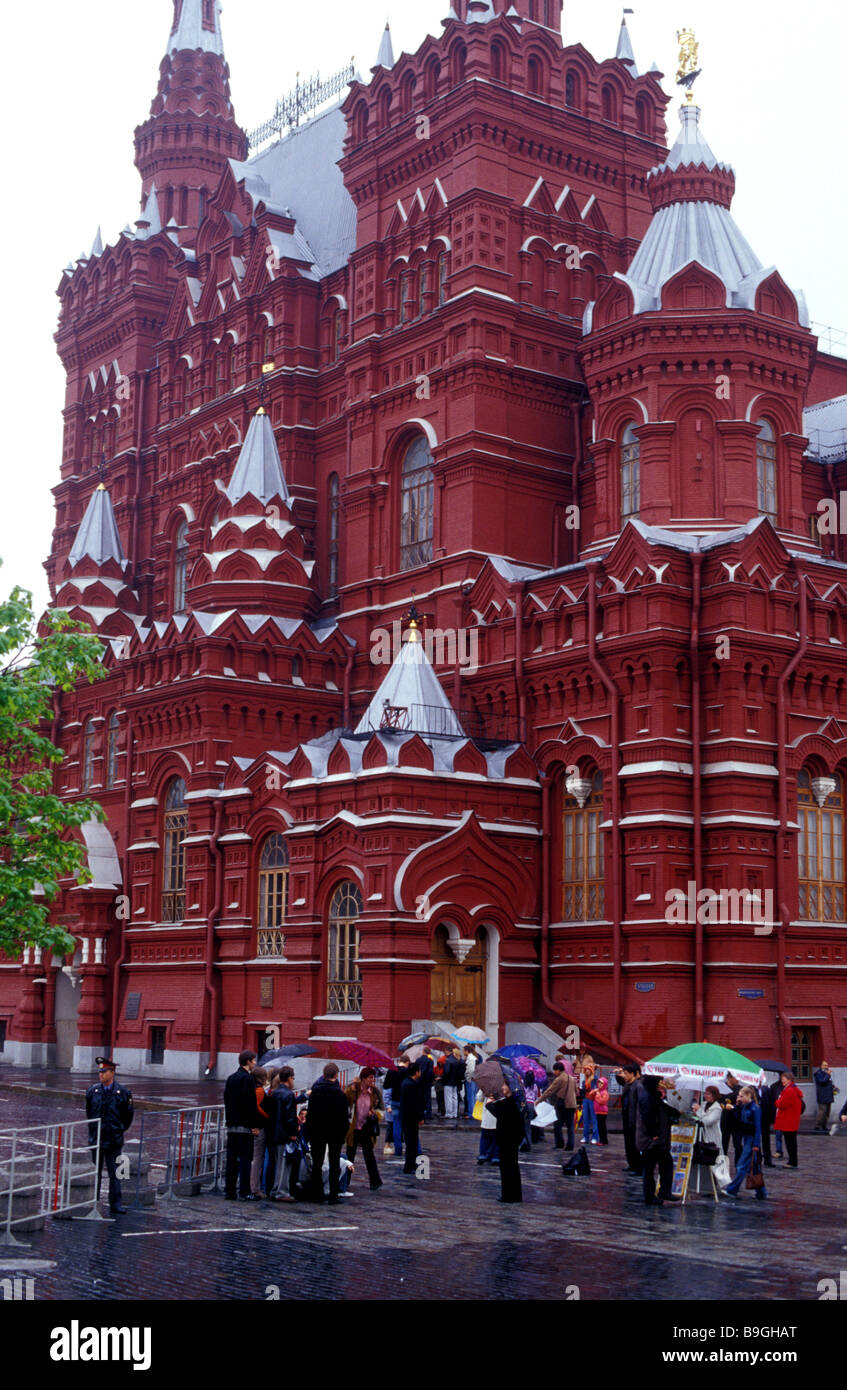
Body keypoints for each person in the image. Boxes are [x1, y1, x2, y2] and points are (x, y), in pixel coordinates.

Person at [85, 1057, 134, 1215]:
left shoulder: (123, 1092)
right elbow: (89, 1113)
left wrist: (119, 1129)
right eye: (100, 1072)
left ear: (112, 1073)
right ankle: (94, 1201)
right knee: (95, 1173)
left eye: (104, 1072)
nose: (101, 1075)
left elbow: (128, 1117)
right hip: (97, 1138)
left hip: (114, 1139)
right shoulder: (93, 1091)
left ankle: (116, 1203)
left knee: (116, 1173)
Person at [304, 1063, 350, 1203]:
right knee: (334, 1163)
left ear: (324, 1075)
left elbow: (310, 1114)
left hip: (317, 1131)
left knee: (317, 1164)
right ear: (336, 1075)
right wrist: (343, 1133)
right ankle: (333, 1194)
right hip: (334, 1132)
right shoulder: (339, 1093)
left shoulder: (315, 1091)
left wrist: (309, 1131)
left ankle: (316, 1194)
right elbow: (344, 1117)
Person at [223, 1049, 262, 1201]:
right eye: (253, 1061)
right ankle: (244, 1191)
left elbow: (227, 1100)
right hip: (245, 1126)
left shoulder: (231, 1078)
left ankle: (230, 1191)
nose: (254, 1063)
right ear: (248, 1062)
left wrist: (229, 1120)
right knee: (245, 1160)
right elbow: (250, 1104)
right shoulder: (248, 1079)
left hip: (232, 1125)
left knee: (231, 1160)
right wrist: (255, 1125)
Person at [636, 1076, 680, 1206]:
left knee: (662, 1164)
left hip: (656, 1139)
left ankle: (661, 1192)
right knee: (653, 1166)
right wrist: (653, 1133)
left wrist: (677, 1114)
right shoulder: (648, 1097)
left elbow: (663, 1110)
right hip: (652, 1140)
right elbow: (647, 1116)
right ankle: (654, 1195)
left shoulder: (652, 1095)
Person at [722, 1087, 767, 1200]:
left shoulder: (755, 1109)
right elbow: (738, 1119)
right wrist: (736, 1107)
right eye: (739, 1096)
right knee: (754, 1167)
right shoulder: (744, 1107)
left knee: (741, 1165)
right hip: (746, 1137)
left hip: (751, 1139)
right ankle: (761, 1192)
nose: (739, 1098)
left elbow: (757, 1128)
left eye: (741, 1096)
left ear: (749, 1096)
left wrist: (756, 1144)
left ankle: (732, 1189)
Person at [345, 1067, 383, 1191]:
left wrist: (374, 1114)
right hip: (354, 1128)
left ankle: (375, 1181)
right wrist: (351, 1090)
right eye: (370, 1078)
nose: (372, 1080)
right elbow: (346, 1102)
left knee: (369, 1155)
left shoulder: (375, 1093)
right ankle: (345, 1181)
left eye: (373, 1077)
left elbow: (380, 1109)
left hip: (366, 1127)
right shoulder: (354, 1089)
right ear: (363, 1079)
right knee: (350, 1156)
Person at [486, 1081, 524, 1203]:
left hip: (508, 1139)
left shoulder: (511, 1103)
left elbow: (500, 1113)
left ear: (510, 1088)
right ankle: (514, 1195)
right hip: (512, 1139)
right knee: (512, 1166)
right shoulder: (511, 1101)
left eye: (504, 1085)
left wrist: (489, 1105)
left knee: (507, 1167)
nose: (502, 1087)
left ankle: (508, 1195)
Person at [269, 1066, 301, 1202]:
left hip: (274, 1133)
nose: (293, 1081)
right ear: (289, 1078)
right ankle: (281, 1192)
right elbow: (290, 1116)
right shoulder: (288, 1095)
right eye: (293, 1078)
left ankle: (276, 1189)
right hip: (284, 1134)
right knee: (284, 1164)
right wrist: (293, 1132)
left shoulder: (274, 1093)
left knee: (278, 1163)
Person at [693, 1085, 731, 1188]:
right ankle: (707, 1184)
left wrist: (699, 1111)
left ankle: (724, 1183)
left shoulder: (717, 1108)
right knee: (705, 1160)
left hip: (713, 1137)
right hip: (702, 1136)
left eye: (708, 1094)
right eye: (705, 1093)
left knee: (717, 1160)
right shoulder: (704, 1104)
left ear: (714, 1095)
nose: (706, 1096)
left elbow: (708, 1121)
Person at [540, 1062, 578, 1151]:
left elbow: (550, 1091)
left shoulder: (559, 1079)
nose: (554, 1072)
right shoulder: (572, 1079)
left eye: (555, 1070)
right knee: (570, 1126)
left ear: (558, 1070)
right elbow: (576, 1091)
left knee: (557, 1125)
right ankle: (570, 1145)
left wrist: (540, 1100)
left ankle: (559, 1143)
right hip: (572, 1104)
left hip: (562, 1104)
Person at [616, 1064, 643, 1175]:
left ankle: (638, 1167)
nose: (625, 1076)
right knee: (629, 1144)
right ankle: (631, 1164)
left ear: (633, 1074)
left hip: (635, 1120)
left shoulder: (638, 1086)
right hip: (627, 1118)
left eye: (626, 1074)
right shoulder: (628, 1085)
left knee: (635, 1145)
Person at [774, 1070, 803, 1169]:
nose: (782, 1081)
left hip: (787, 1120)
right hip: (792, 1119)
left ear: (789, 1080)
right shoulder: (793, 1089)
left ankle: (792, 1161)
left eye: (783, 1079)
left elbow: (782, 1104)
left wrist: (776, 1101)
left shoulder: (788, 1090)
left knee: (790, 1142)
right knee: (792, 1141)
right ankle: (793, 1160)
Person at [249, 1067, 271, 1196]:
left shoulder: (249, 1087)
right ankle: (254, 1188)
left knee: (253, 1157)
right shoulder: (259, 1090)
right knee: (257, 1159)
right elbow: (257, 1107)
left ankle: (252, 1186)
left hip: (251, 1126)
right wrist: (268, 1116)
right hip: (258, 1127)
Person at [401, 1060, 424, 1174]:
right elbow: (414, 1103)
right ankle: (409, 1165)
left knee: (412, 1142)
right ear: (416, 1072)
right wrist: (420, 1117)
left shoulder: (408, 1083)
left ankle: (412, 1163)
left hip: (408, 1118)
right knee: (411, 1142)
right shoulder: (410, 1085)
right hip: (410, 1118)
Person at [382, 1058, 409, 1156]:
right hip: (405, 1102)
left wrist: (387, 1104)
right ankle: (405, 1146)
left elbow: (386, 1087)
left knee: (395, 1125)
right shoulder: (407, 1072)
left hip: (394, 1101)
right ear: (407, 1063)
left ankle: (397, 1148)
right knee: (405, 1126)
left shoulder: (391, 1071)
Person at [442, 1048, 466, 1127]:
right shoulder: (459, 1061)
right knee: (454, 1097)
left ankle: (449, 1113)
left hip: (448, 1082)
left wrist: (443, 1079)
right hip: (456, 1081)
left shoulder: (448, 1060)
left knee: (448, 1098)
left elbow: (446, 1072)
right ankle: (454, 1113)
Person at [580, 1059, 600, 1145]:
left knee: (594, 1119)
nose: (587, 1071)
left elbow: (597, 1087)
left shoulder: (595, 1079)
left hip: (593, 1100)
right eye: (586, 1070)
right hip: (585, 1100)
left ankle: (595, 1137)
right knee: (586, 1119)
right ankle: (585, 1136)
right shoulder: (584, 1081)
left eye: (588, 1070)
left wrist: (594, 1067)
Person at [813, 1061, 836, 1131]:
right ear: (821, 1066)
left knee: (827, 1112)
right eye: (824, 1065)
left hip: (828, 1095)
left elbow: (827, 1082)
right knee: (822, 1111)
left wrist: (832, 1086)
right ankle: (817, 1125)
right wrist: (828, 1075)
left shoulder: (826, 1073)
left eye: (827, 1065)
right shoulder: (819, 1073)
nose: (826, 1067)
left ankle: (824, 1125)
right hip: (822, 1095)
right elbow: (822, 1081)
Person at [592, 1075, 610, 1145]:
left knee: (602, 1127)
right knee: (600, 1126)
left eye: (601, 1083)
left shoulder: (605, 1092)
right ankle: (602, 1140)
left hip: (602, 1112)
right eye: (599, 1083)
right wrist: (594, 1091)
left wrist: (597, 1094)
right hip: (597, 1111)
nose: (599, 1084)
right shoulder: (597, 1091)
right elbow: (590, 1095)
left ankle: (603, 1141)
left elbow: (602, 1101)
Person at [418, 1049, 435, 1122]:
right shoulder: (430, 1061)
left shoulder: (418, 1060)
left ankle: (420, 1112)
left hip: (419, 1082)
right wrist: (431, 1081)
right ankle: (429, 1113)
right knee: (428, 1098)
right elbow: (431, 1072)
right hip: (427, 1083)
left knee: (420, 1098)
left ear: (423, 1052)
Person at [463, 1047, 478, 1117]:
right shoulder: (471, 1058)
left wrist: (468, 1078)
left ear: (467, 1051)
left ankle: (471, 1113)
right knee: (472, 1096)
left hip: (470, 1080)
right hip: (472, 1079)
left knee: (471, 1097)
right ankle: (472, 1112)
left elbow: (471, 1070)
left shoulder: (471, 1059)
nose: (463, 1052)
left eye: (464, 1050)